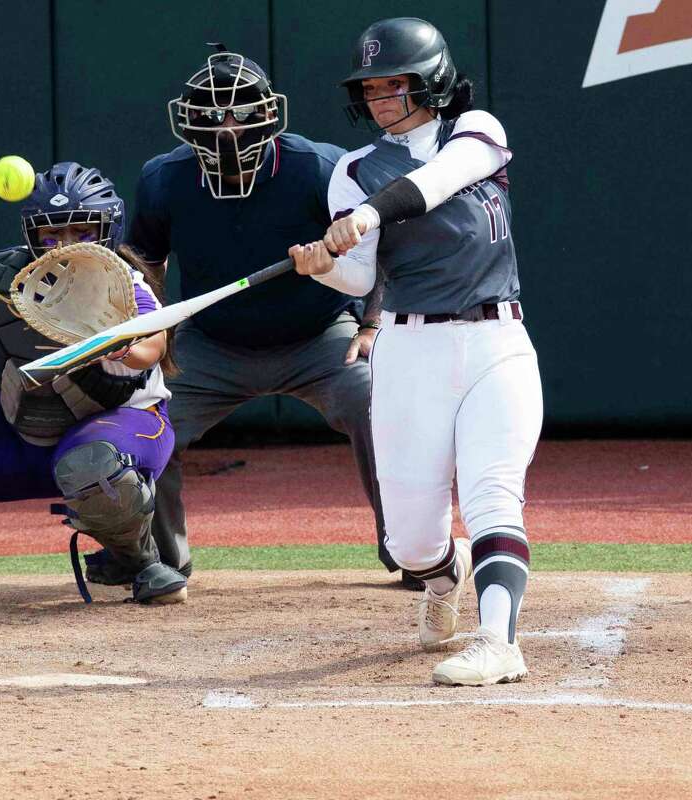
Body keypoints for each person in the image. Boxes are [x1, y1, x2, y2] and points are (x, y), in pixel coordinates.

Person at [291, 17, 542, 686]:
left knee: (493, 491)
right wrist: (322, 263)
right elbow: (359, 277)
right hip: (408, 350)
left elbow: (436, 182)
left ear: (430, 82)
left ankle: (498, 640)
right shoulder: (352, 170)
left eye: (393, 85)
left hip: (496, 341)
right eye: (369, 88)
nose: (378, 98)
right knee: (411, 542)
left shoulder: (477, 131)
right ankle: (443, 579)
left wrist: (368, 216)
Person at [127, 46, 417, 588]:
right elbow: (145, 263)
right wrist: (155, 333)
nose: (226, 128)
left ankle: (410, 551)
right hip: (210, 343)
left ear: (268, 112)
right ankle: (160, 560)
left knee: (375, 398)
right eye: (212, 115)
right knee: (143, 420)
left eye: (239, 111)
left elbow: (383, 247)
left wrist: (372, 325)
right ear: (187, 120)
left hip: (320, 335)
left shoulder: (319, 167)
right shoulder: (163, 178)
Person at [0, 161, 187, 604]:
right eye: (52, 234)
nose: (65, 246)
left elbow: (153, 343)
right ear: (31, 235)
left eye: (82, 232)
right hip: (22, 429)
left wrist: (121, 346)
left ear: (108, 230)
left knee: (90, 465)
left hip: (119, 427)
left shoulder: (127, 285)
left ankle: (137, 560)